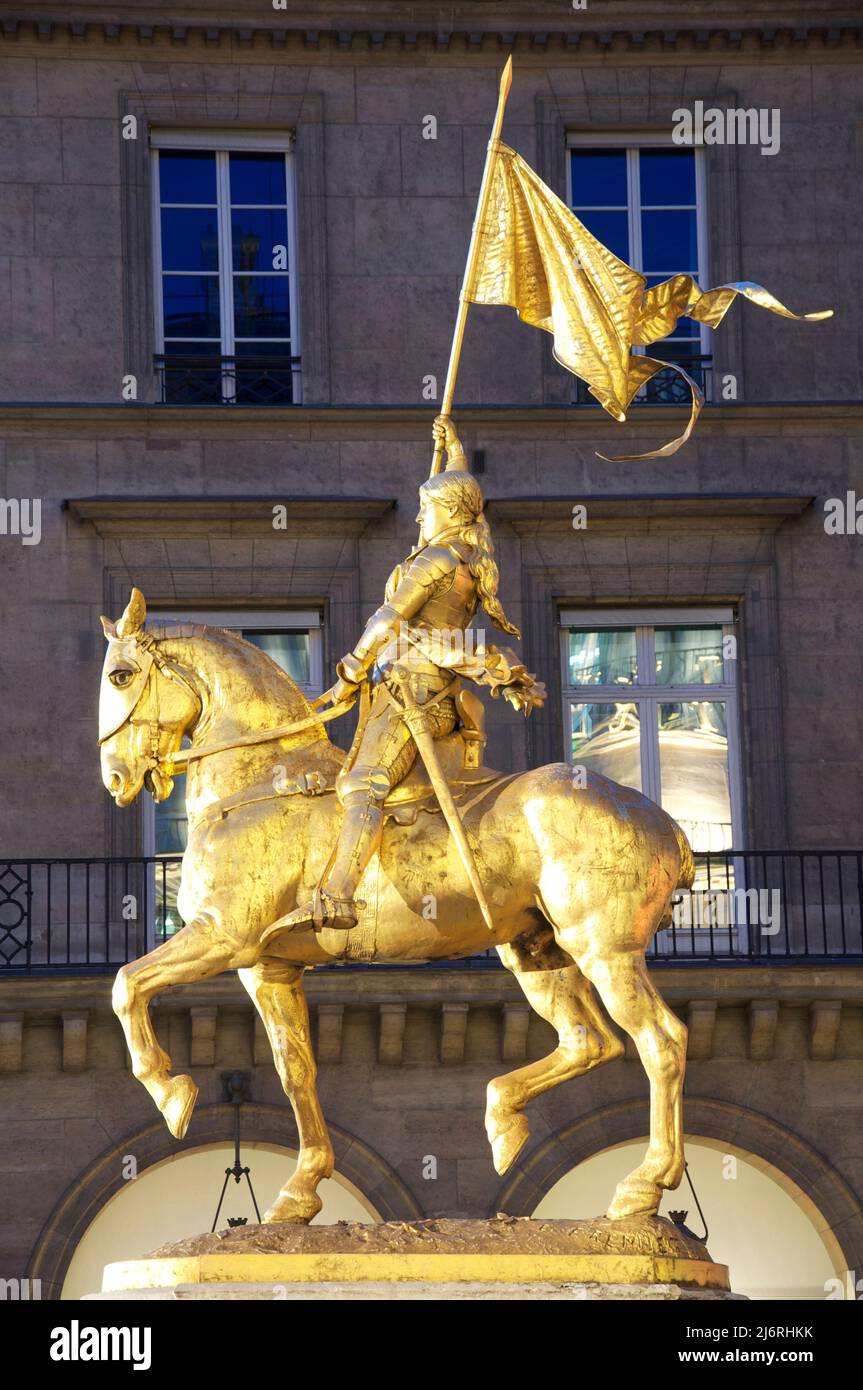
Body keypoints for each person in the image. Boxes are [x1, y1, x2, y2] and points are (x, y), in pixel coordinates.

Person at [277, 415, 543, 933]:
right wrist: (455, 451)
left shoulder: (436, 561)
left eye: (426, 509)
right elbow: (468, 496)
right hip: (435, 691)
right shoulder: (466, 555)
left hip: (413, 694)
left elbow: (387, 619)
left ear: (446, 513)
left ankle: (337, 896)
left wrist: (350, 673)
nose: (419, 518)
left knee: (361, 784)